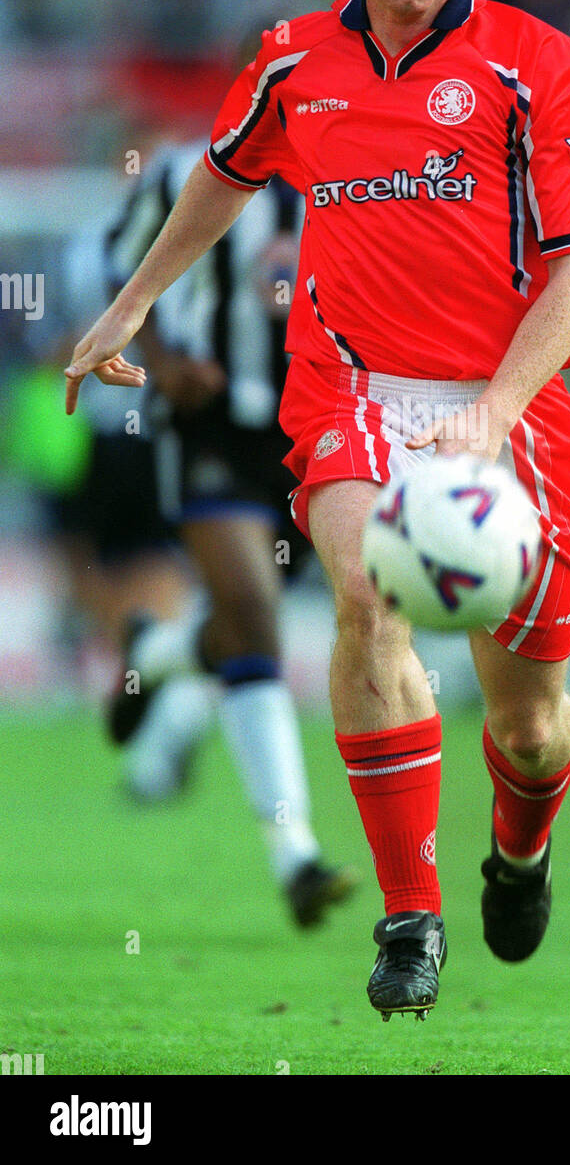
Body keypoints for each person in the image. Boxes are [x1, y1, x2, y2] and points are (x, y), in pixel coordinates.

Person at [65, 0, 570, 1020]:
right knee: (362, 603)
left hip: (507, 407)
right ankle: (407, 917)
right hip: (349, 389)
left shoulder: (548, 75)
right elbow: (221, 173)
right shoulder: (290, 62)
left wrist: (490, 410)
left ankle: (520, 853)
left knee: (530, 728)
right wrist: (127, 306)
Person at [99, 130, 358, 928]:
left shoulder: (363, 175)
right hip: (211, 425)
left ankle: (158, 652)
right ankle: (297, 858)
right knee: (255, 618)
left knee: (251, 623)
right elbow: (121, 263)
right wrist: (161, 355)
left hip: (321, 427)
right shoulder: (183, 171)